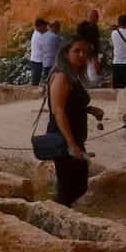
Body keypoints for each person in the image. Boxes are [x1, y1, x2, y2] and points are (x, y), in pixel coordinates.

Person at [47, 36, 105, 206]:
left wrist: (90, 110)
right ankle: (56, 223)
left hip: (74, 138)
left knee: (77, 185)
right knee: (69, 188)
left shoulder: (73, 76)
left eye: (85, 52)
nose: (81, 55)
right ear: (66, 53)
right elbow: (58, 111)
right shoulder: (61, 77)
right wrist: (71, 144)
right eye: (77, 51)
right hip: (64, 139)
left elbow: (70, 105)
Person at [28, 18, 58, 86]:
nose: (45, 28)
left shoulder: (38, 33)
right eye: (44, 27)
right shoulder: (39, 36)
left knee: (43, 78)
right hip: (37, 60)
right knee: (36, 80)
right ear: (39, 27)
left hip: (40, 60)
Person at [76, 20, 103, 87]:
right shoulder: (92, 49)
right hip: (93, 81)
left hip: (82, 81)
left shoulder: (77, 49)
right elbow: (97, 69)